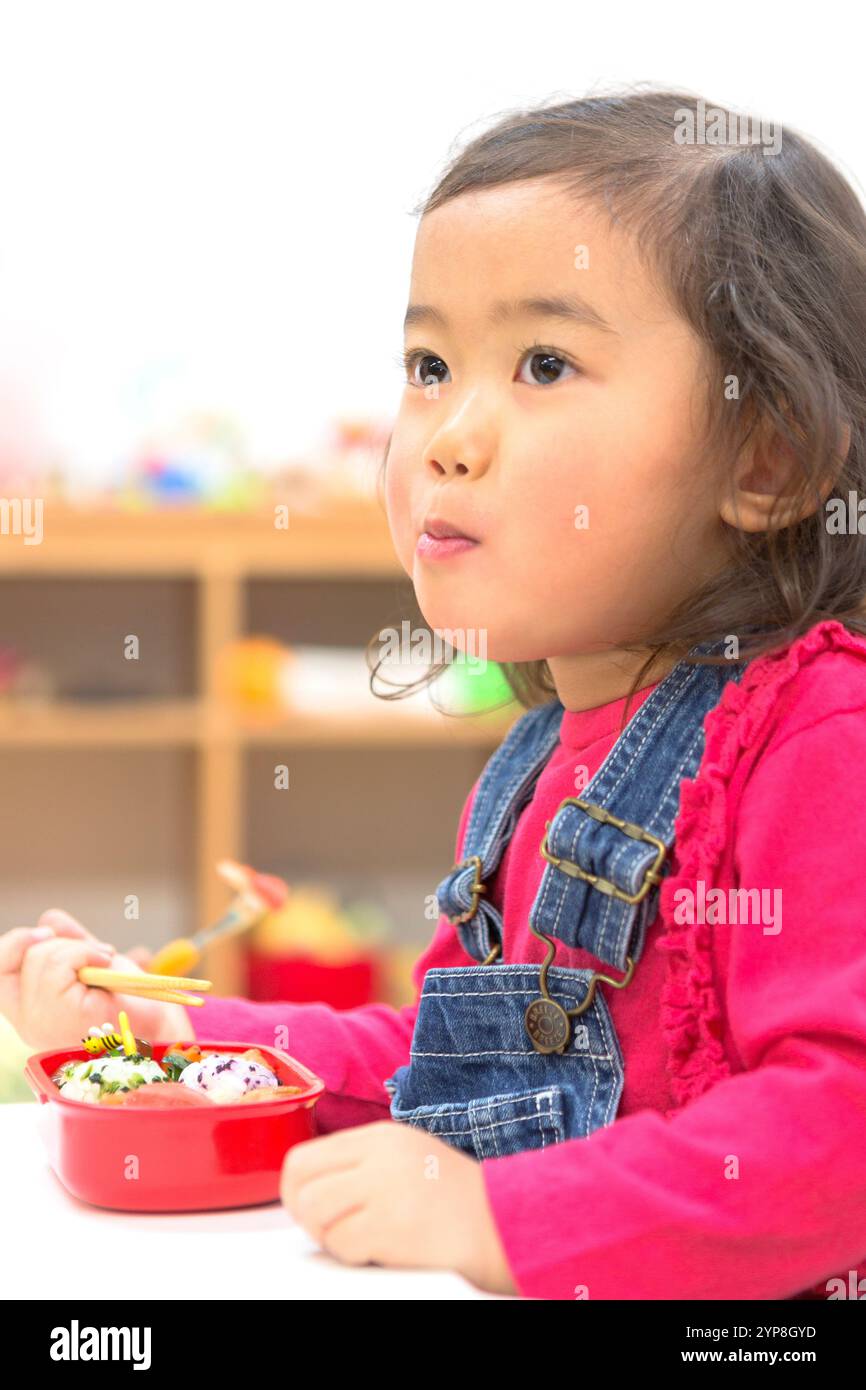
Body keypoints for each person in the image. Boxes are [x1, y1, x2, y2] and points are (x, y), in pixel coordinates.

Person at [4, 87, 866, 1301]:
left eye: (543, 363)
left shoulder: (819, 735)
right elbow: (448, 1072)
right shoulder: (534, 762)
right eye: (428, 365)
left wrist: (498, 1215)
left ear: (765, 454)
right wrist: (181, 1040)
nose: (446, 437)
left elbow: (841, 1134)